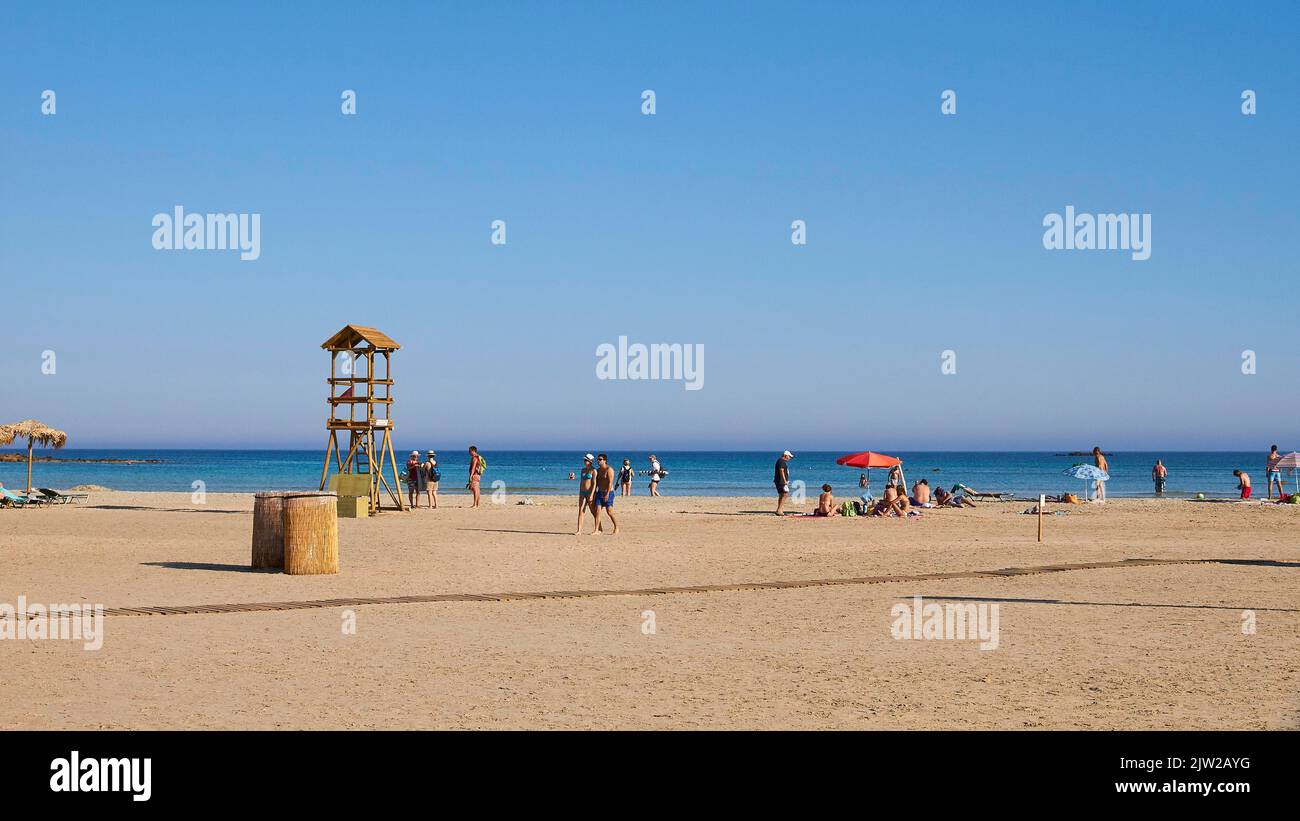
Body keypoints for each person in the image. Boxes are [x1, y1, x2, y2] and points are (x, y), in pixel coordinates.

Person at [590, 454, 620, 535]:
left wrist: (607, 494)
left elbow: (610, 483)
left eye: (600, 459)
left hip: (609, 493)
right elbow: (596, 483)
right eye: (598, 459)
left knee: (609, 512)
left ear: (604, 460)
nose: (598, 461)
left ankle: (616, 527)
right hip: (599, 492)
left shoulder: (609, 469)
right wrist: (594, 494)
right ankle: (597, 530)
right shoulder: (598, 470)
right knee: (598, 511)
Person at [575, 454, 596, 534]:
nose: (584, 462)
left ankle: (598, 527)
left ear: (590, 461)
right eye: (584, 460)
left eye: (586, 460)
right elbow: (581, 482)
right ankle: (579, 530)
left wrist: (591, 494)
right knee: (581, 511)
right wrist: (580, 493)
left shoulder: (593, 471)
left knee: (592, 511)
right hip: (582, 493)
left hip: (590, 493)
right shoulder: (583, 470)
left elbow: (594, 483)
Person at [774, 450, 793, 515]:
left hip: (780, 481)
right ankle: (779, 509)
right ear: (786, 455)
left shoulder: (781, 461)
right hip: (781, 481)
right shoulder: (781, 461)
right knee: (785, 494)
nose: (790, 458)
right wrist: (784, 481)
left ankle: (779, 509)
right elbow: (781, 471)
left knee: (782, 495)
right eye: (789, 456)